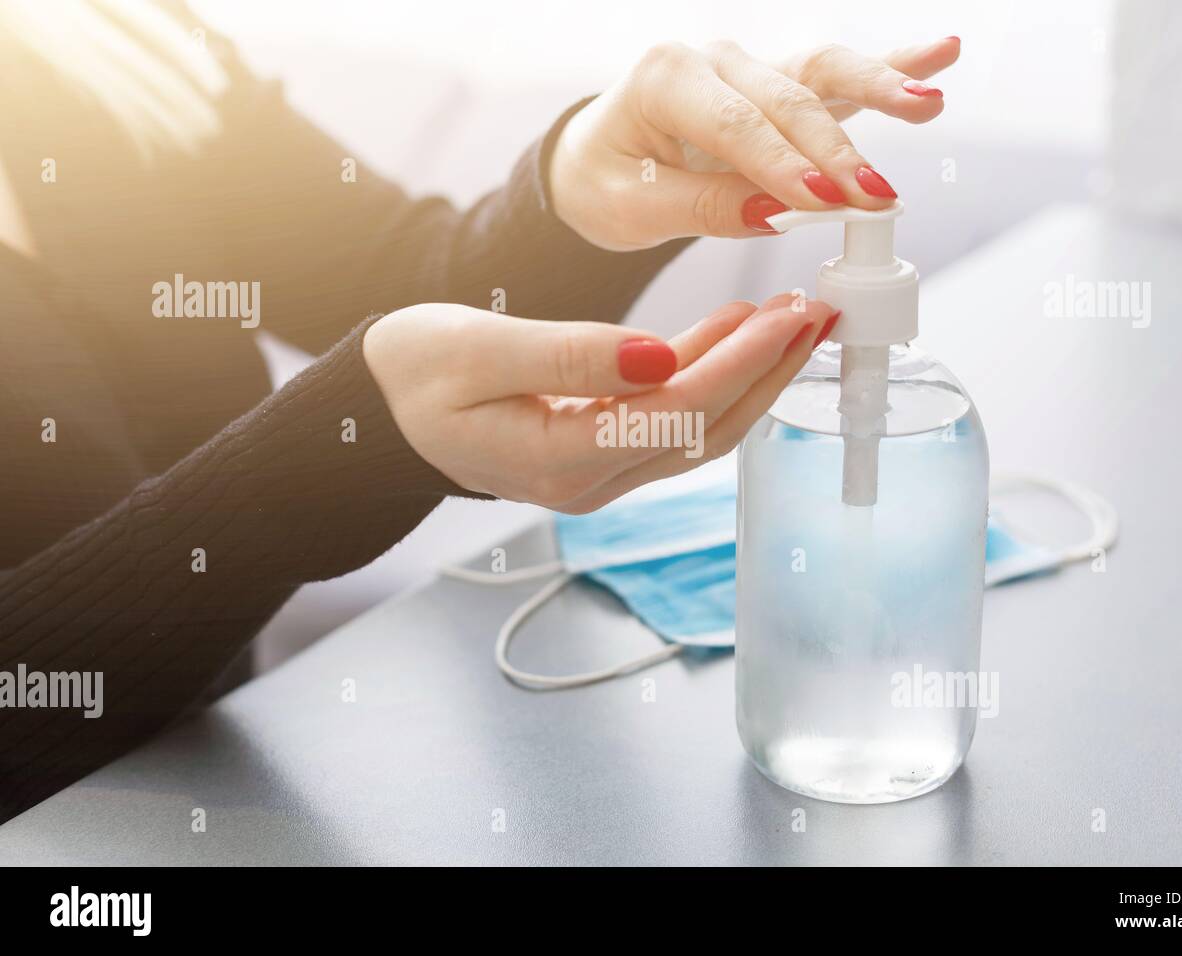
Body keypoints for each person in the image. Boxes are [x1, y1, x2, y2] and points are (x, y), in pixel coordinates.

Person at [0, 0, 959, 821]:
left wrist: (581, 191)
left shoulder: (92, 41)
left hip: (230, 800)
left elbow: (400, 281)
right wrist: (345, 457)